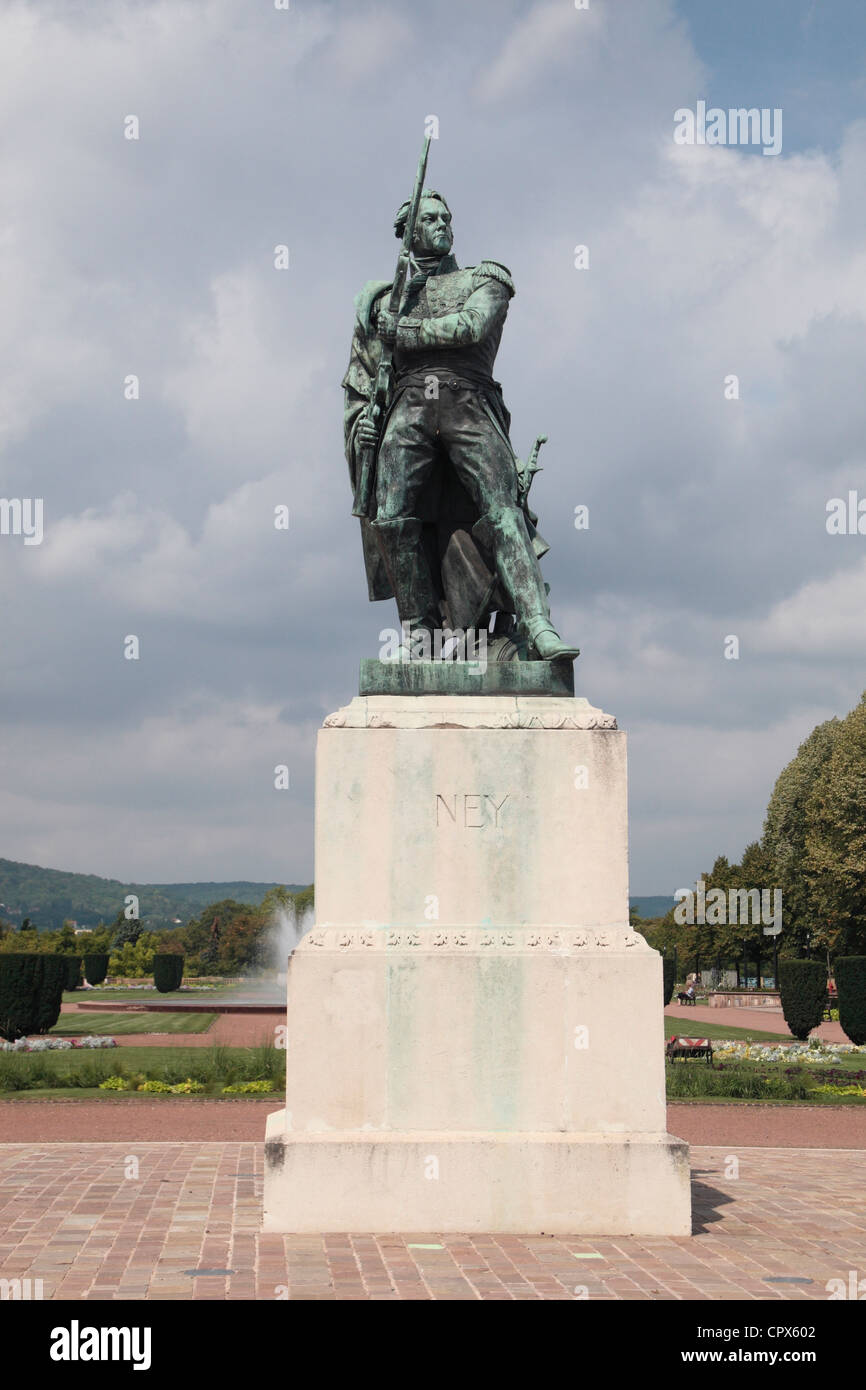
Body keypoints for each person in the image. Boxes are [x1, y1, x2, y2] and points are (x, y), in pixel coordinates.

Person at [342, 189, 579, 661]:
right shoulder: (381, 299)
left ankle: (537, 624)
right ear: (408, 232)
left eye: (446, 217)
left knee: (501, 510)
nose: (442, 224)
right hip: (407, 406)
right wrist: (361, 428)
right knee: (391, 516)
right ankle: (419, 631)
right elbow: (363, 378)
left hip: (466, 398)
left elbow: (472, 327)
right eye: (429, 219)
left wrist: (403, 331)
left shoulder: (484, 279)